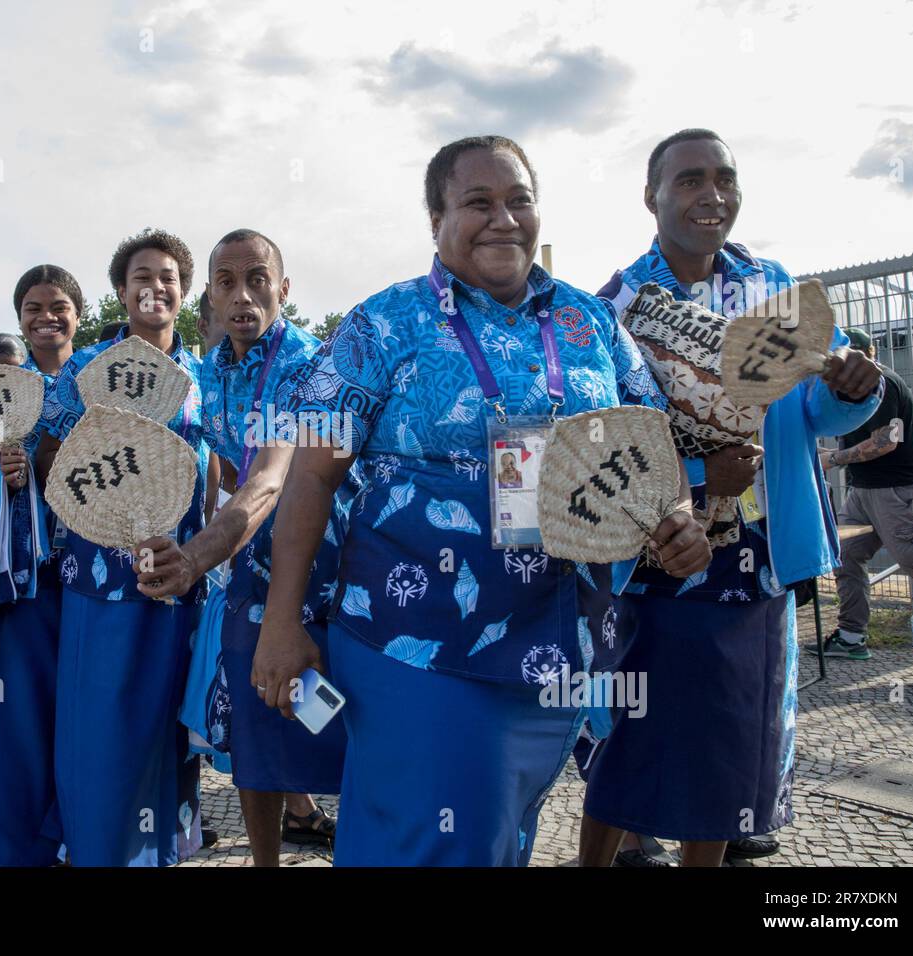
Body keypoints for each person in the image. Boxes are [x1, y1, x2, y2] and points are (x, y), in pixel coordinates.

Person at [255, 136, 706, 866]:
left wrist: (678, 516)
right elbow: (310, 479)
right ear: (435, 218)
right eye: (477, 202)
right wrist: (282, 623)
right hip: (421, 644)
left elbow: (652, 445)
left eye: (519, 200)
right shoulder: (381, 325)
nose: (504, 218)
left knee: (494, 838)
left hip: (560, 644)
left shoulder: (590, 323)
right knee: (428, 839)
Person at [582, 128, 882, 867]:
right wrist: (694, 482)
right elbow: (601, 446)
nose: (710, 195)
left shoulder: (773, 290)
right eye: (687, 180)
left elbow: (813, 412)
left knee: (727, 725)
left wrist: (855, 391)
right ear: (650, 198)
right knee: (631, 718)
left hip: (755, 551)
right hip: (651, 551)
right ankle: (618, 844)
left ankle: (716, 836)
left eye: (723, 177)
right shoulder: (614, 306)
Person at [136, 229, 360, 865]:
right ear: (207, 294)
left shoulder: (312, 367)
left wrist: (196, 557)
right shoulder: (209, 373)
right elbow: (236, 471)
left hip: (336, 573)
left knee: (347, 730)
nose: (242, 295)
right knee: (256, 734)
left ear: (283, 290)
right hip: (249, 577)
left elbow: (268, 480)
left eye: (257, 279)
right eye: (226, 282)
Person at [36, 229, 208, 866]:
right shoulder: (84, 370)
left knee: (170, 726)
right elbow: (48, 455)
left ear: (183, 291)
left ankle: (162, 851)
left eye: (168, 276)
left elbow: (217, 465)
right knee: (101, 726)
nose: (155, 286)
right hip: (99, 577)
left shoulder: (203, 374)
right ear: (120, 289)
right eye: (142, 275)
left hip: (182, 572)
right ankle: (99, 851)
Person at [0, 263, 81, 867]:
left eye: (57, 305)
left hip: (94, 581)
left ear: (77, 314)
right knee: (17, 724)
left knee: (85, 719)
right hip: (18, 585)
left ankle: (84, 837)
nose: (45, 317)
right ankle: (13, 851)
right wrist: (0, 476)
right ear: (19, 320)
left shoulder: (101, 381)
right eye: (32, 308)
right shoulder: (0, 392)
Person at [821, 327, 913, 660]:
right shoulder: (845, 393)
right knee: (845, 557)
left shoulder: (883, 383)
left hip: (894, 487)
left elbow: (887, 441)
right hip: (863, 489)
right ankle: (851, 637)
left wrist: (832, 458)